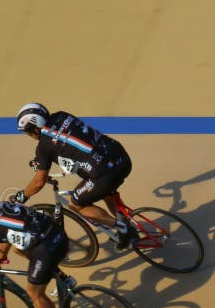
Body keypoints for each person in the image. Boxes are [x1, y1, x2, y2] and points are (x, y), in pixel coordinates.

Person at [14, 103, 138, 249]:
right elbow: (67, 143)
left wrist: (23, 195)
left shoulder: (43, 147)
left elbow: (38, 182)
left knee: (76, 204)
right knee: (106, 191)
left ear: (36, 127)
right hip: (120, 155)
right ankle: (126, 225)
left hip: (104, 173)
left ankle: (123, 228)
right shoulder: (62, 115)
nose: (30, 136)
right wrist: (41, 162)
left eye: (29, 132)